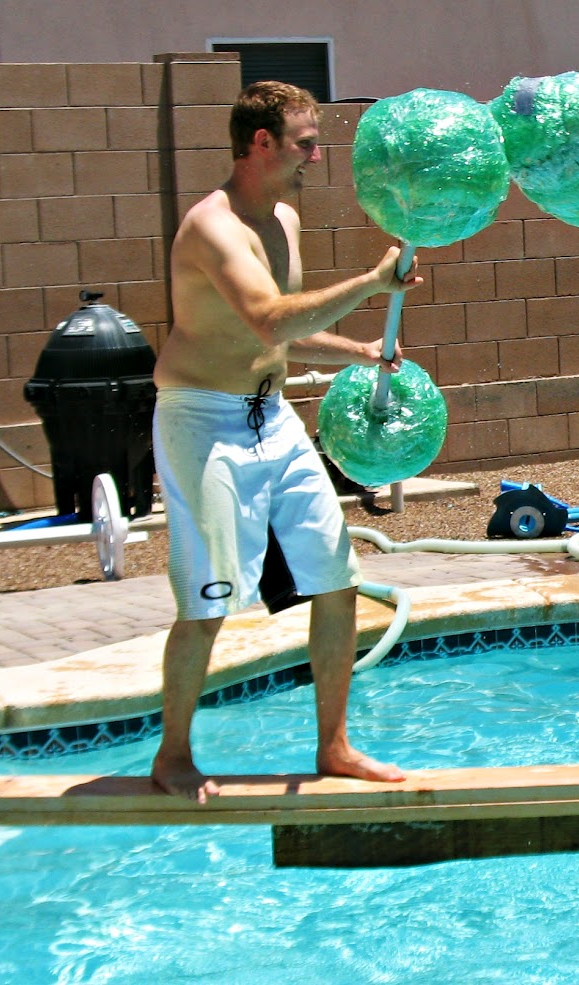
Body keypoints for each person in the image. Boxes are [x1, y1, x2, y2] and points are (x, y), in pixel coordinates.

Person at [151, 81, 419, 801]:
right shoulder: (212, 228)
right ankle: (172, 756)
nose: (316, 155)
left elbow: (280, 337)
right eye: (305, 143)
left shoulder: (285, 221)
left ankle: (334, 746)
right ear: (260, 142)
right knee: (207, 600)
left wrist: (357, 351)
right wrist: (372, 281)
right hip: (203, 422)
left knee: (337, 579)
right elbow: (269, 319)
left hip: (272, 417)